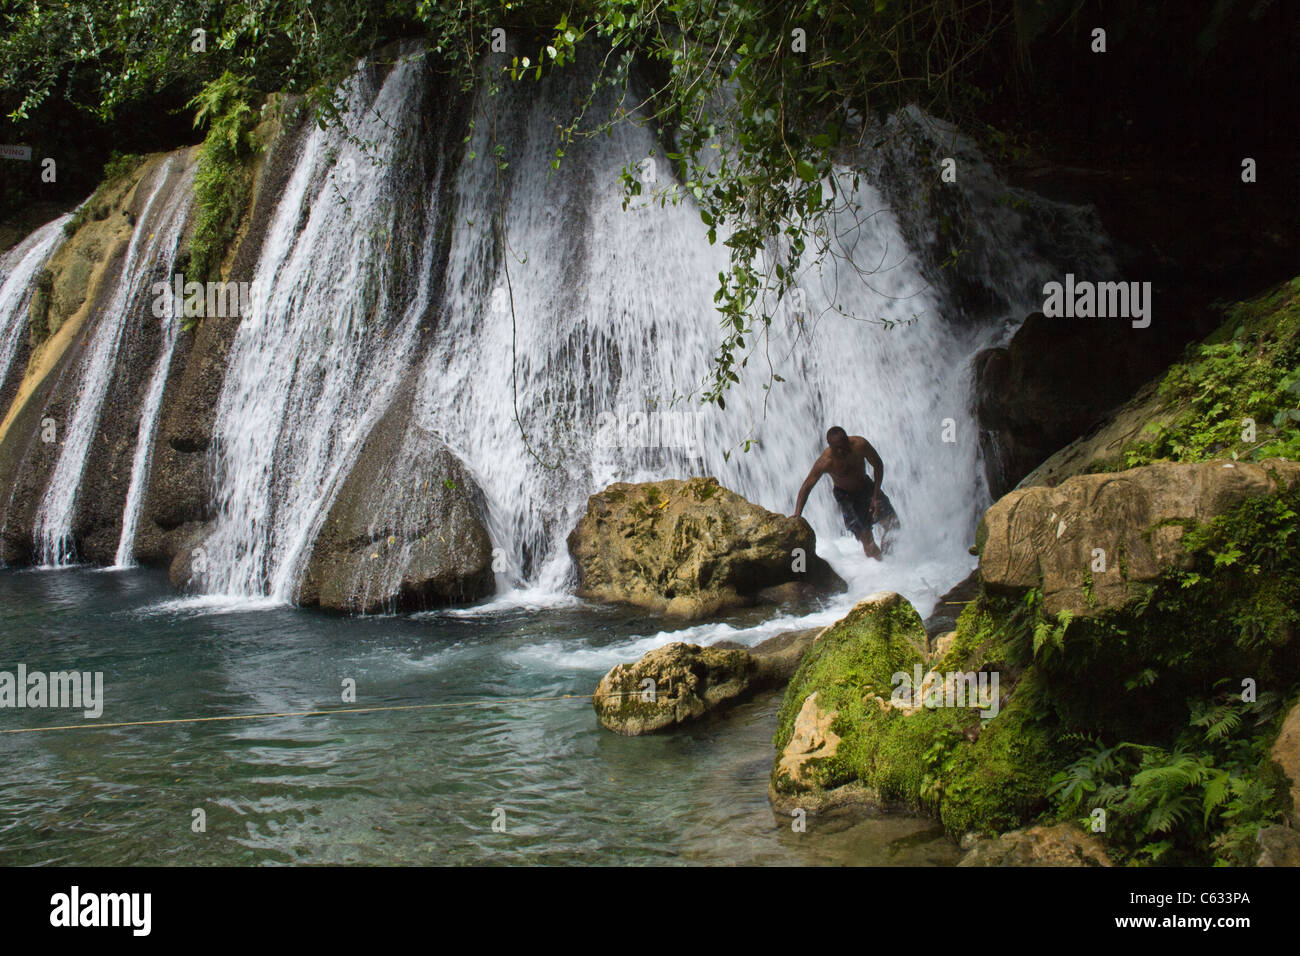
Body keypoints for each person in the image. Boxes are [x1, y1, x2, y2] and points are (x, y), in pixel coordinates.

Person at [792, 425, 898, 559]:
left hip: (866, 487)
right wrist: (797, 514)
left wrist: (875, 497)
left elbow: (878, 465)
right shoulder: (826, 462)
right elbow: (806, 487)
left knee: (894, 525)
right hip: (846, 497)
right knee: (867, 538)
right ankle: (880, 565)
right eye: (837, 449)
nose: (842, 451)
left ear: (848, 440)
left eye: (844, 446)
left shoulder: (860, 445)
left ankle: (890, 560)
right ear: (830, 447)